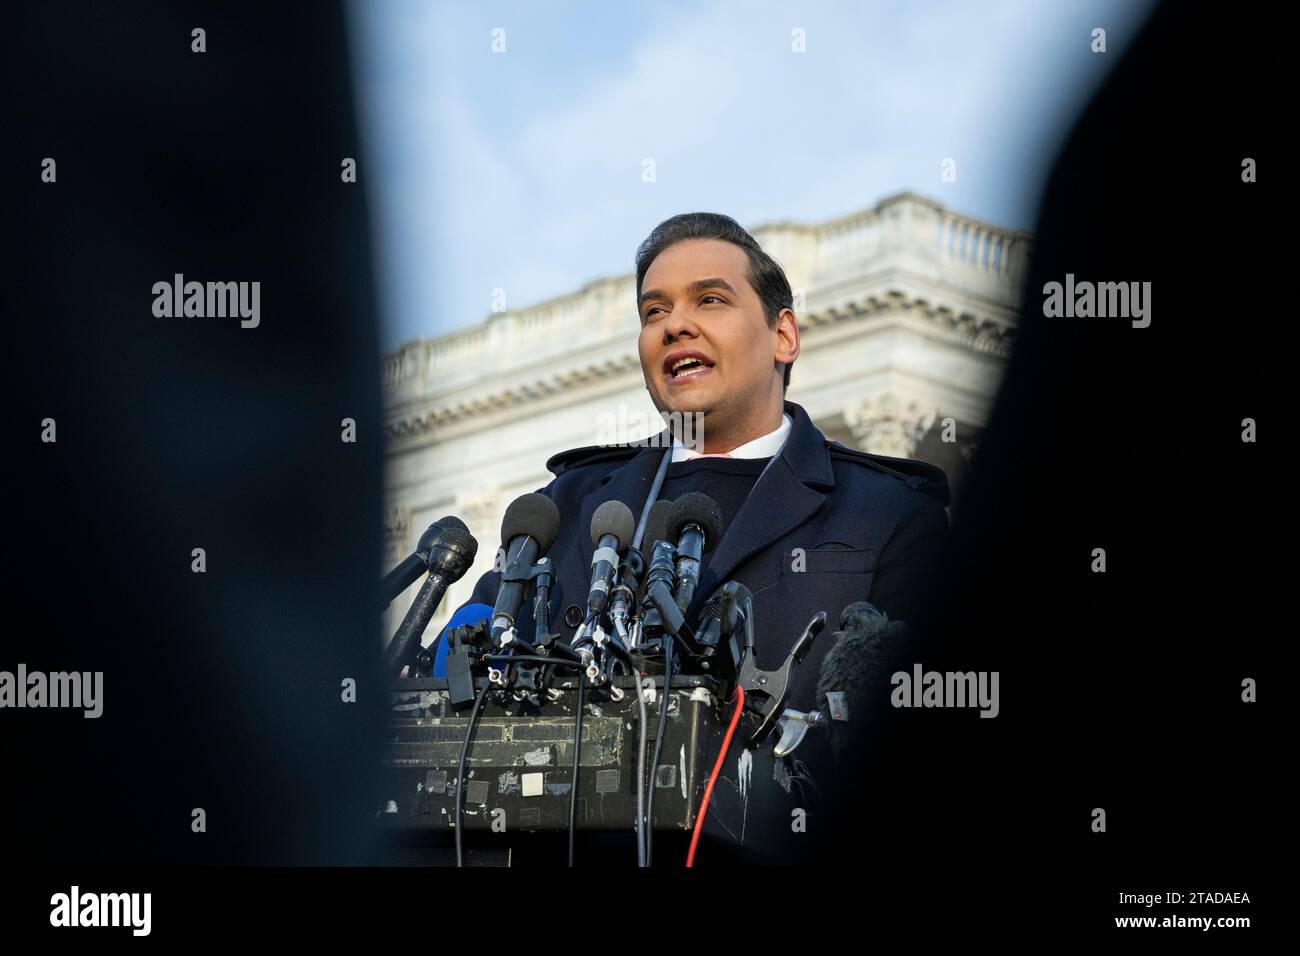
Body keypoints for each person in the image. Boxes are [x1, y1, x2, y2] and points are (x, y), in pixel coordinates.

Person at [441, 211, 950, 862]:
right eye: (653, 312)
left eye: (710, 299)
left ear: (783, 335)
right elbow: (462, 669)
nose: (674, 324)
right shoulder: (565, 505)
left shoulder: (889, 511)